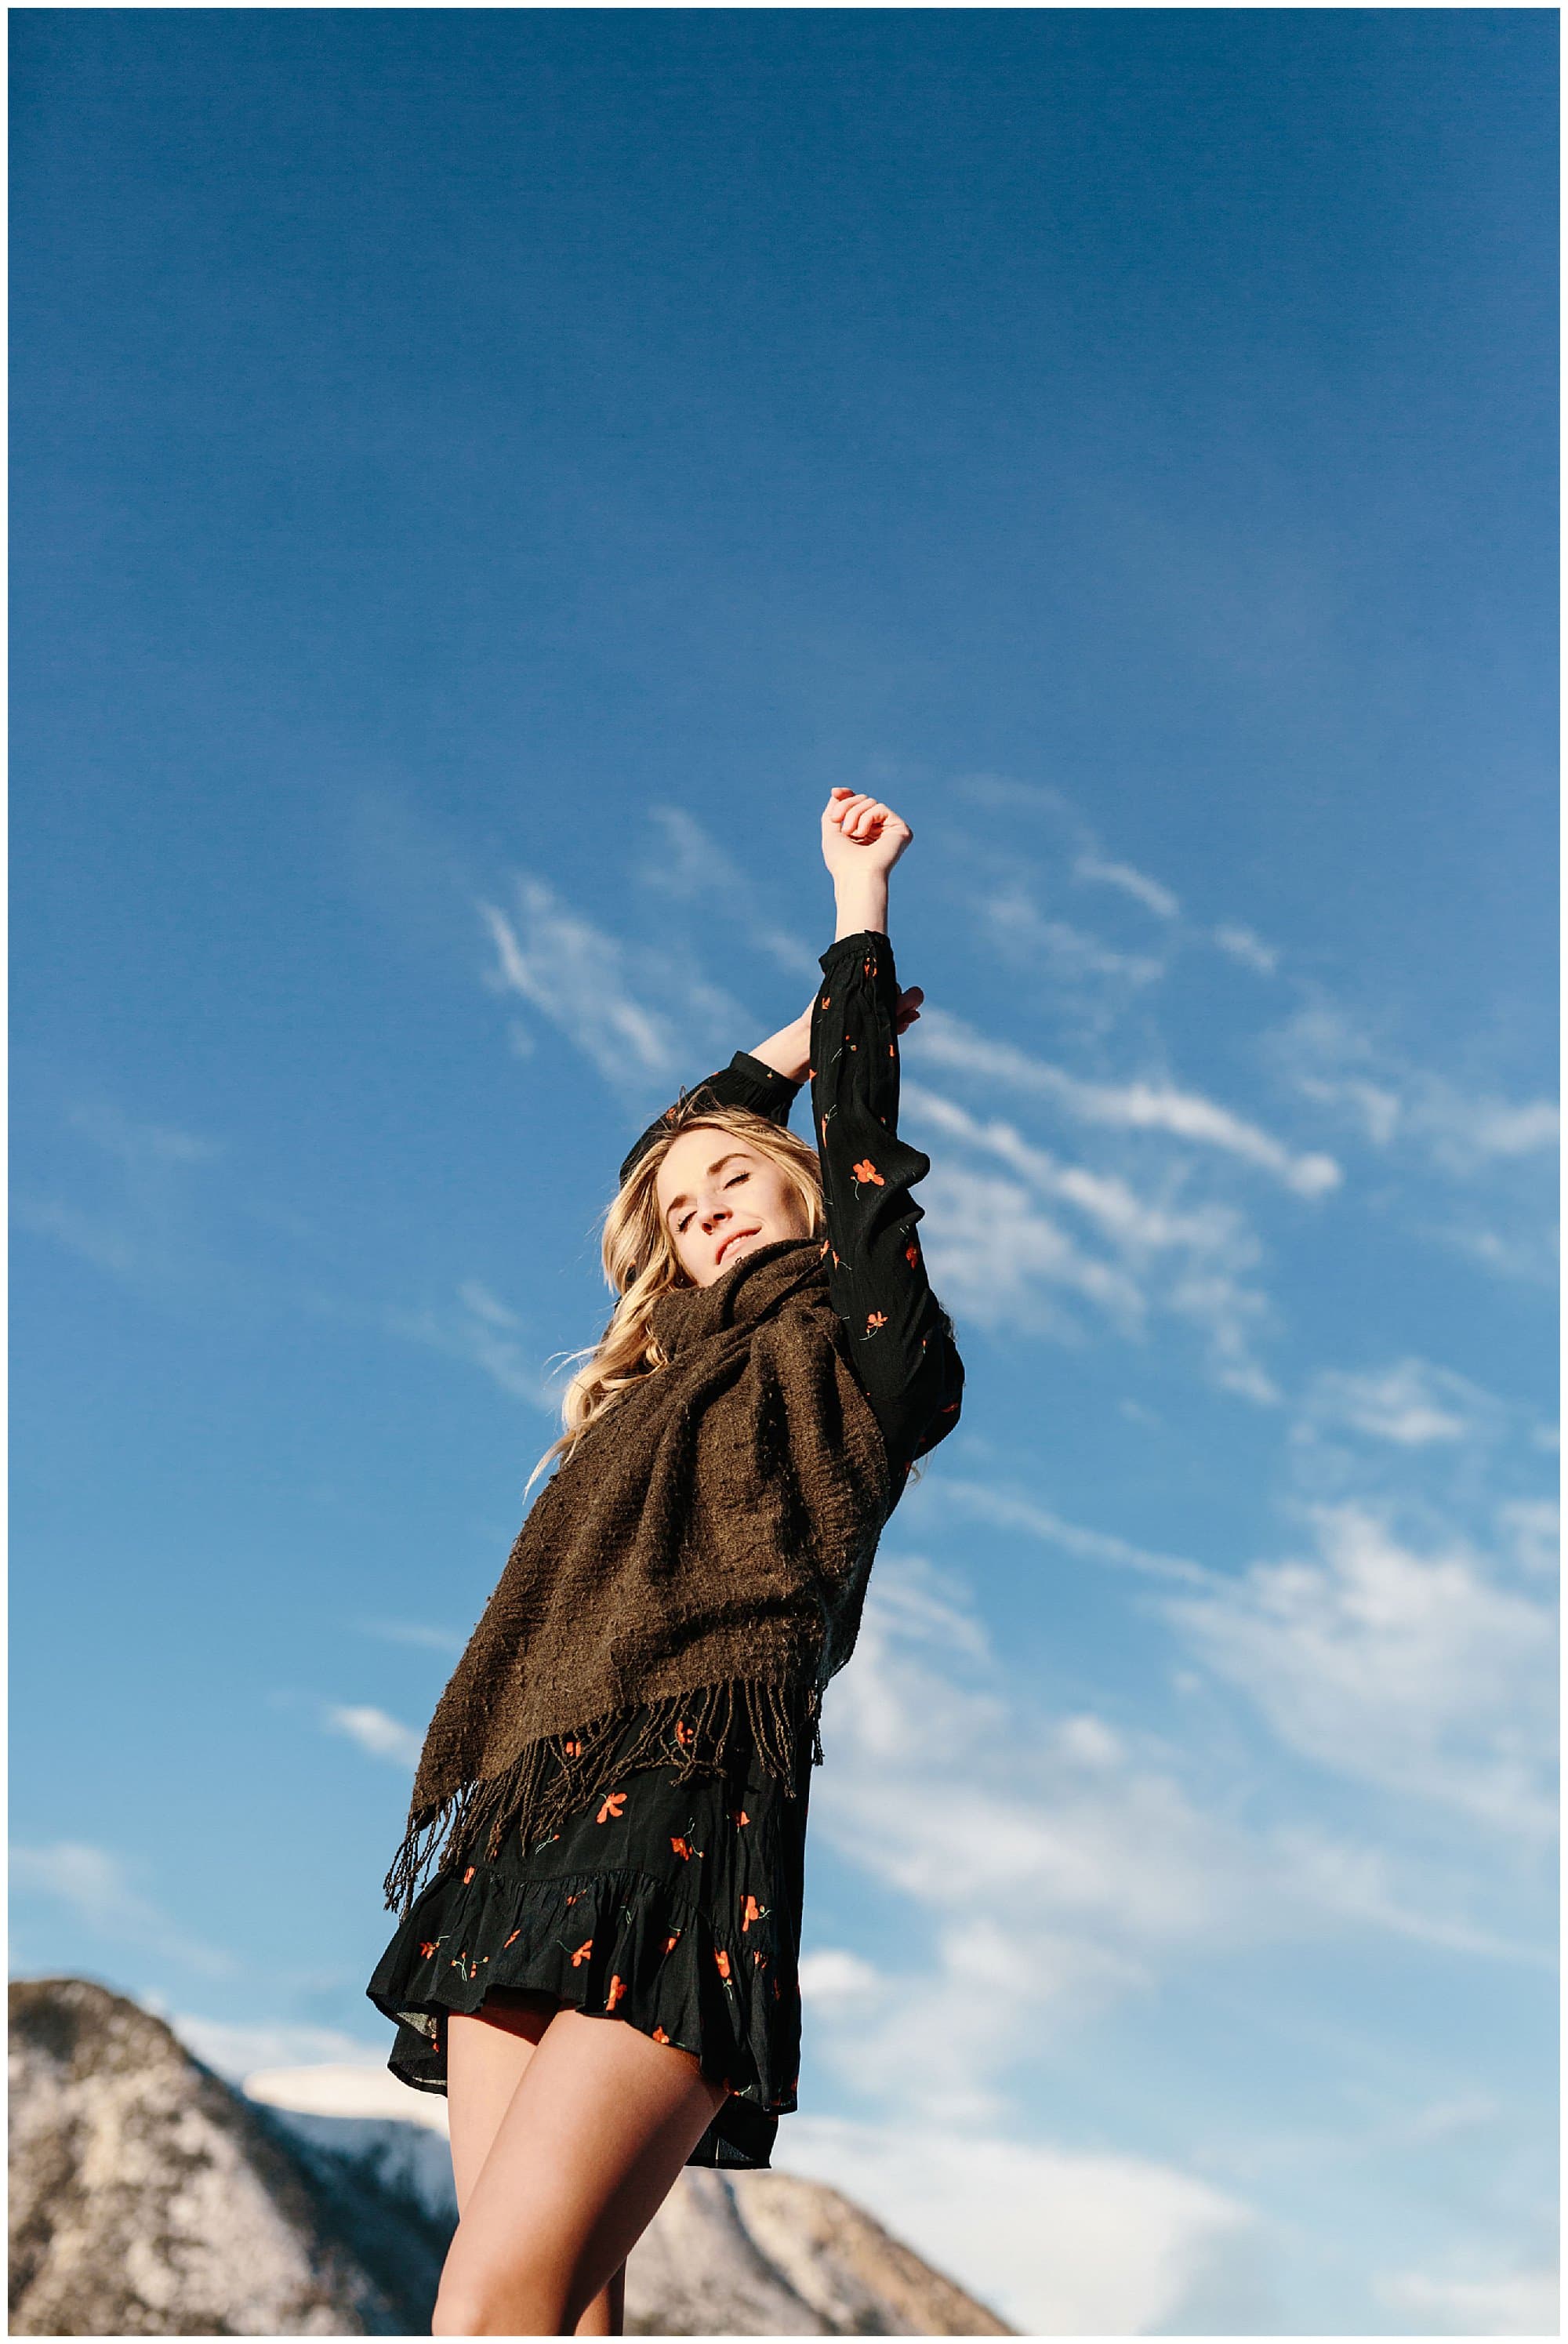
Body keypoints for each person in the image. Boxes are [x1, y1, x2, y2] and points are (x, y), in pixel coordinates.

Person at [365, 789, 964, 2335]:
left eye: (732, 1183)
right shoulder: (660, 1374)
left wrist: (855, 912)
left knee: (495, 2303)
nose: (695, 1208)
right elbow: (676, 1131)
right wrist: (780, 1035)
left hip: (688, 1803)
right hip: (532, 1802)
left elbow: (855, 1124)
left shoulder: (863, 1351)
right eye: (678, 1209)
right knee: (548, 2308)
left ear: (811, 1188)